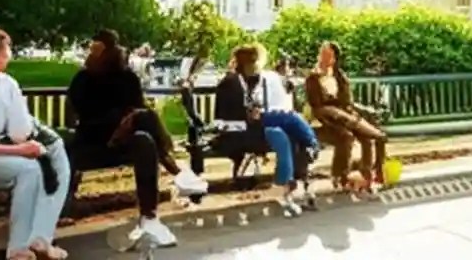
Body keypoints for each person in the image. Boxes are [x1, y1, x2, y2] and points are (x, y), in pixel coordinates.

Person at [67, 30, 208, 247]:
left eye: (98, 48)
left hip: (127, 137)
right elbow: (78, 116)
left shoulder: (128, 78)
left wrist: (128, 121)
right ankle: (179, 172)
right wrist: (120, 119)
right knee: (145, 117)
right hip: (94, 137)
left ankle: (149, 217)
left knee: (144, 137)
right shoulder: (83, 79)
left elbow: (137, 107)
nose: (93, 52)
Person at [0, 28, 71, 260]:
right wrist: (17, 149)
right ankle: (30, 242)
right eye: (6, 51)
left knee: (31, 169)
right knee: (31, 166)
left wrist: (23, 140)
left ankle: (20, 247)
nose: (10, 56)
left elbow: (20, 132)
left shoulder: (7, 84)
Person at [213, 44, 310, 216]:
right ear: (247, 63)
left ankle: (295, 183)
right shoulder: (230, 83)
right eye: (255, 62)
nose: (258, 67)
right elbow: (224, 120)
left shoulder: (250, 81)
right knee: (282, 137)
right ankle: (286, 187)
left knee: (291, 135)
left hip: (253, 131)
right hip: (235, 135)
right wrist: (250, 118)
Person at [305, 41, 388, 196]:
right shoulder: (313, 78)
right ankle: (341, 177)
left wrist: (351, 110)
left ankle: (367, 176)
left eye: (328, 54)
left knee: (369, 139)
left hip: (347, 117)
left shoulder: (339, 76)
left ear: (335, 58)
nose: (323, 57)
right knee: (347, 136)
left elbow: (348, 101)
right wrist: (334, 110)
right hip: (330, 120)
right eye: (322, 53)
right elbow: (316, 105)